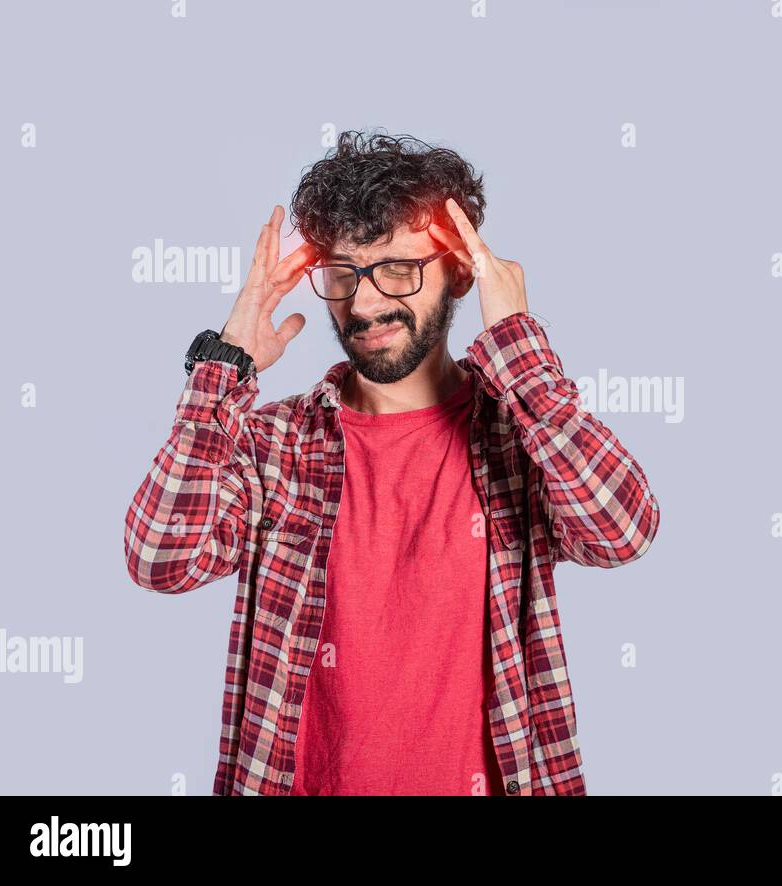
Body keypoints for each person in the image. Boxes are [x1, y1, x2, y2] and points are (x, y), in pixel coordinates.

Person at [123, 131, 660, 796]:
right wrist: (226, 363)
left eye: (398, 269)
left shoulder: (518, 437)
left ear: (460, 271)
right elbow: (161, 559)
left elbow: (621, 532)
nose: (365, 304)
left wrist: (520, 351)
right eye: (343, 274)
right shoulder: (276, 445)